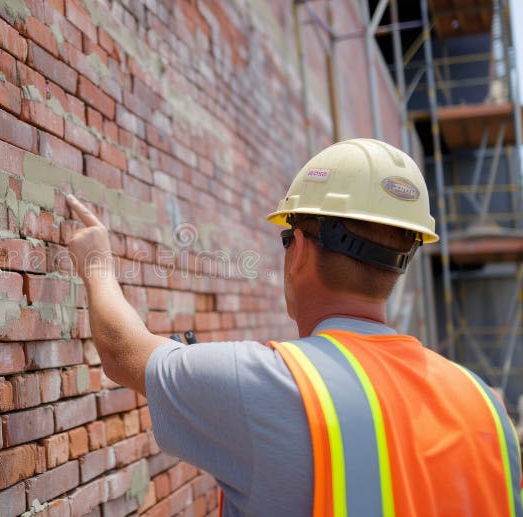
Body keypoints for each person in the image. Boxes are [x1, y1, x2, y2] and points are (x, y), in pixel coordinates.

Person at [65, 138, 522, 516]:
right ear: (400, 265)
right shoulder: (487, 405)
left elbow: (122, 350)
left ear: (298, 249)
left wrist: (97, 263)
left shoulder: (269, 385)